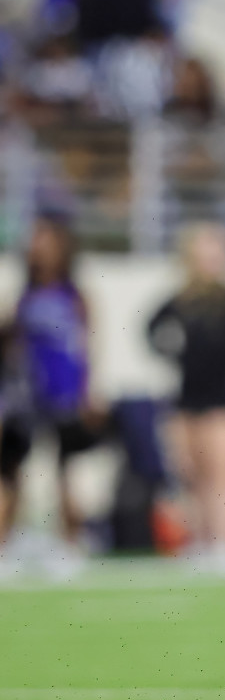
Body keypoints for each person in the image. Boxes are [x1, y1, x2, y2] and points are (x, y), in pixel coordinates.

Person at [146, 221, 225, 570]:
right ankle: (202, 541)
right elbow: (151, 329)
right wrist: (172, 354)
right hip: (187, 400)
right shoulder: (182, 301)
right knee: (193, 475)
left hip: (221, 400)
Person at [0, 213, 104, 572]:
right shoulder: (25, 296)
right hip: (27, 396)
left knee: (66, 470)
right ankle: (9, 544)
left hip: (64, 395)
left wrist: (89, 391)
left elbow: (89, 347)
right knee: (14, 469)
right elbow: (12, 347)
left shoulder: (73, 295)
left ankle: (70, 545)